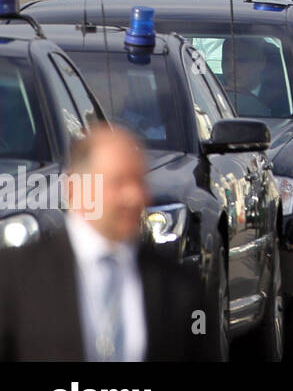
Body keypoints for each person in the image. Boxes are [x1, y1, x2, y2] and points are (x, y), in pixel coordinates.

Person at [0, 125, 209, 361]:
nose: (133, 197)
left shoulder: (176, 284)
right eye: (117, 182)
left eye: (139, 182)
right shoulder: (16, 279)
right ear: (75, 188)